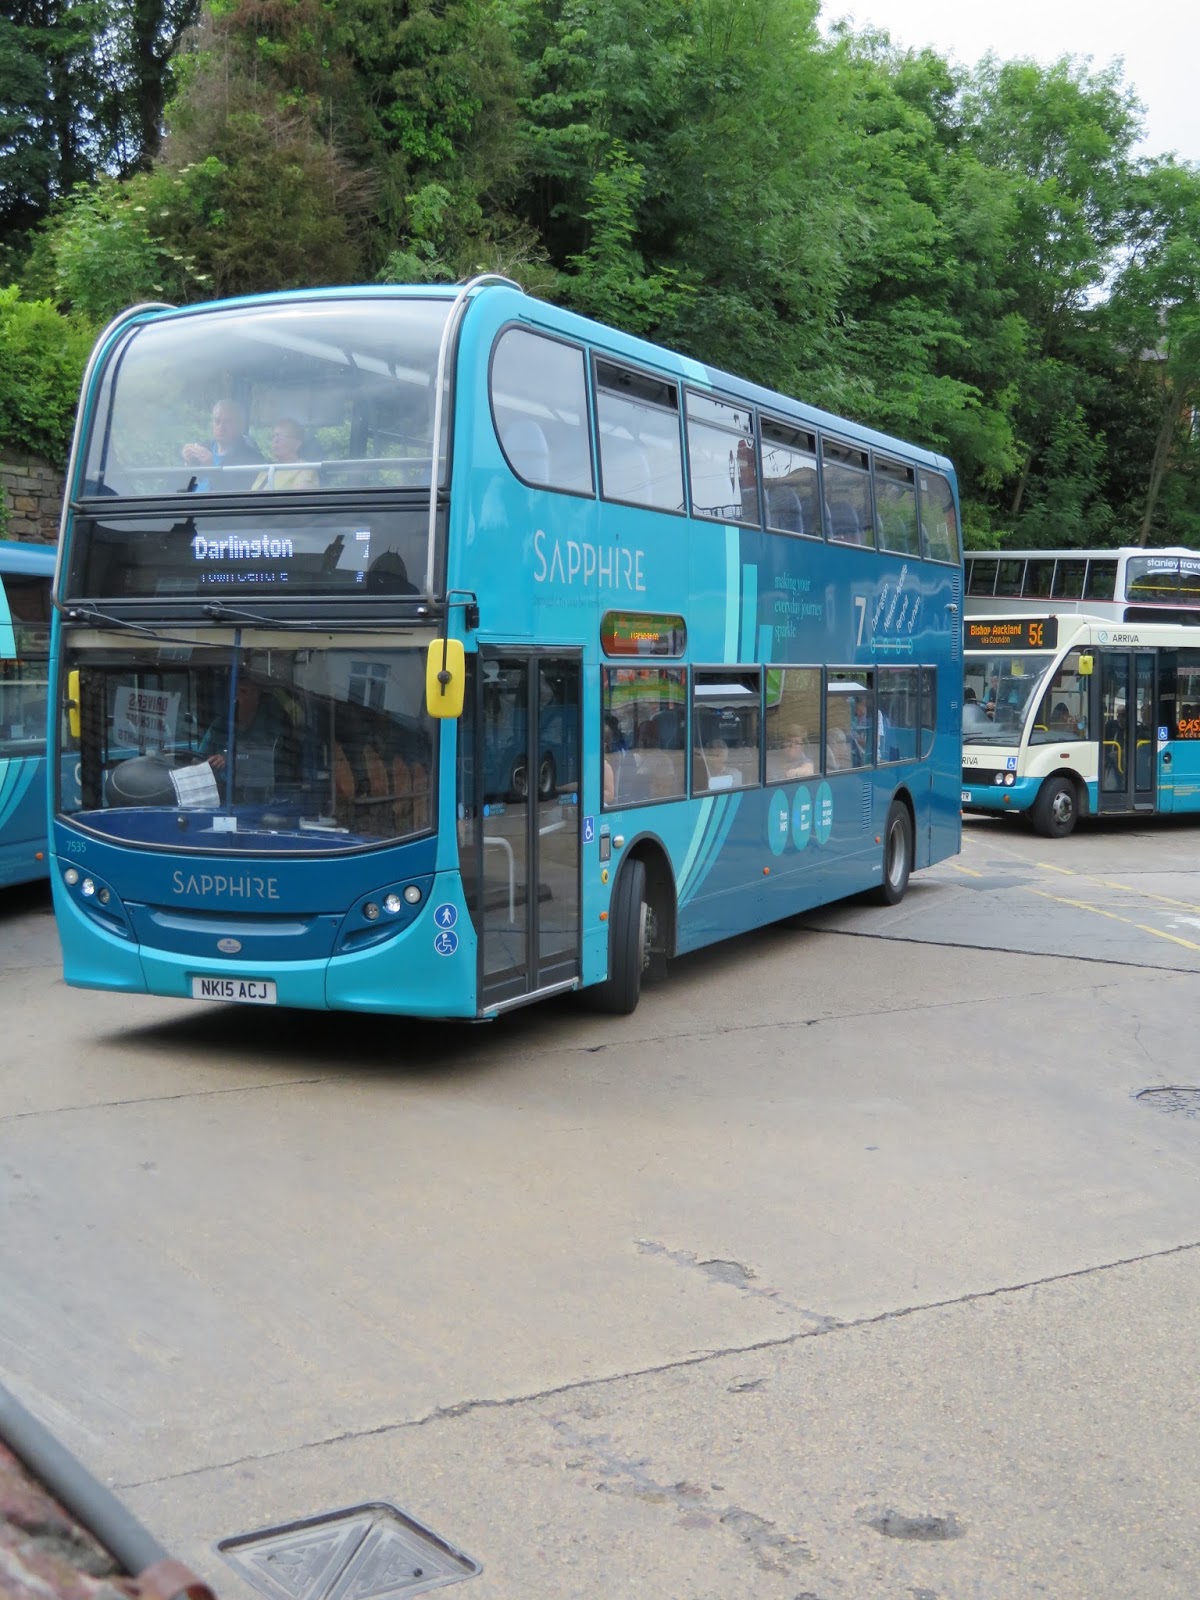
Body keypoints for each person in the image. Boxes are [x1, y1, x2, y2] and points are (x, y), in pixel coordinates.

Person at [182, 398, 264, 486]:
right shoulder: (202, 449)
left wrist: (212, 470)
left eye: (227, 422)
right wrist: (188, 466)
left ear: (241, 425)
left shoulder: (251, 460)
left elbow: (237, 495)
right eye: (217, 421)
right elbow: (177, 490)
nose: (221, 427)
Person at [253, 418, 320, 491]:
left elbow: (300, 498)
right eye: (273, 436)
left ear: (296, 443)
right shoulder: (266, 470)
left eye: (280, 436)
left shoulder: (306, 469)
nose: (275, 440)